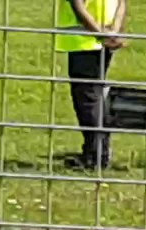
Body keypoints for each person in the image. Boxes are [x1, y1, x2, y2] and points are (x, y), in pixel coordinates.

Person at [56, 0, 126, 170]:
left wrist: (100, 33)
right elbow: (121, 3)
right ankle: (97, 151)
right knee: (95, 96)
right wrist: (114, 31)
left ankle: (95, 156)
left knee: (88, 99)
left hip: (85, 40)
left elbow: (77, 5)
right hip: (105, 38)